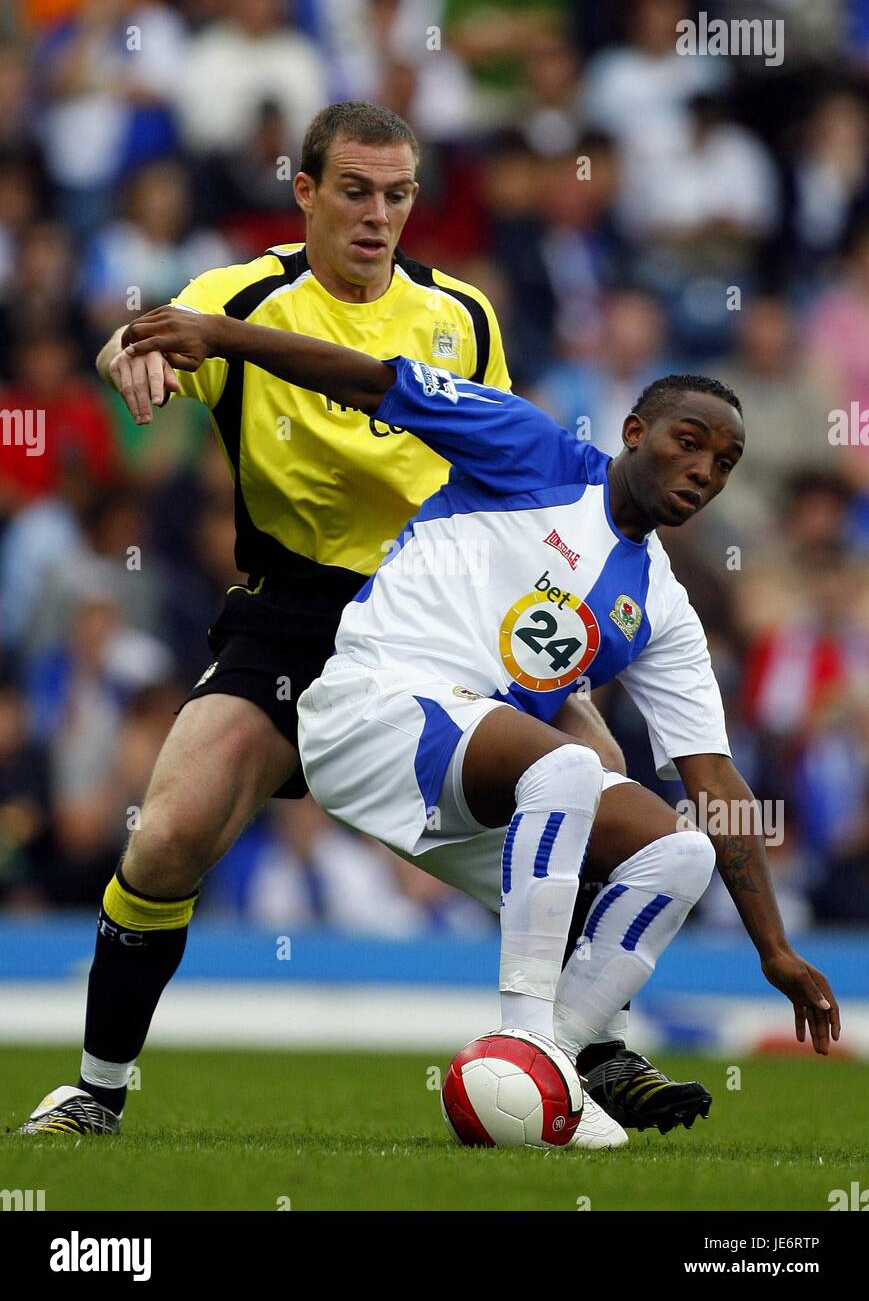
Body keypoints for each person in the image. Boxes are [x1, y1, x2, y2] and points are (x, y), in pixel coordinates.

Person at [18, 101, 628, 1147]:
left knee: (604, 799)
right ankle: (95, 1090)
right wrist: (134, 350)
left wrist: (551, 658)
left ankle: (594, 1054)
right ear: (304, 192)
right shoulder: (244, 295)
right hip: (292, 619)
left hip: (437, 622)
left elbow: (510, 485)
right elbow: (147, 328)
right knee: (165, 837)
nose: (376, 215)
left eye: (396, 195)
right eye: (353, 190)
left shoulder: (463, 316)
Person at [95, 310, 841, 1140]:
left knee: (681, 851)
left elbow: (714, 779)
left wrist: (772, 947)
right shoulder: (533, 451)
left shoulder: (660, 606)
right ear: (634, 431)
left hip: (467, 779)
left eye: (724, 463)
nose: (703, 470)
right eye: (688, 441)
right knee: (564, 766)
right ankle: (523, 1037)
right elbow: (373, 381)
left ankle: (543, 1061)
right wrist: (221, 337)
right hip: (370, 706)